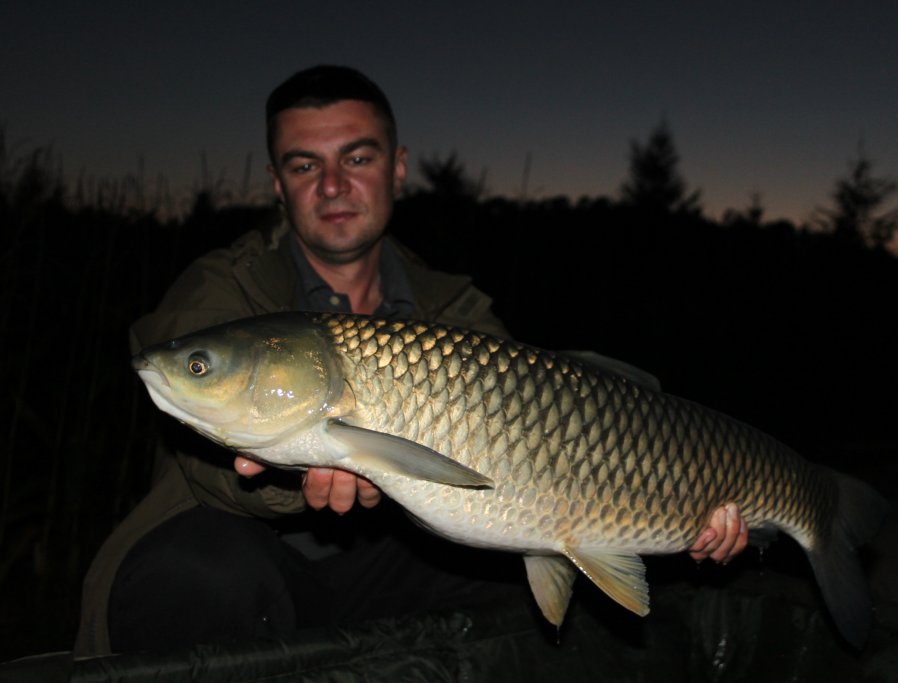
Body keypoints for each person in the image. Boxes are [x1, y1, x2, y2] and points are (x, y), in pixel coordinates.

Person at [74, 65, 749, 658]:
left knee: (509, 603)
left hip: (387, 559)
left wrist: (677, 512)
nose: (332, 185)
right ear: (277, 183)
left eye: (356, 158)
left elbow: (551, 454)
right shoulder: (221, 291)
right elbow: (203, 465)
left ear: (397, 167)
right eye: (304, 165)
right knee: (199, 573)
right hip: (256, 557)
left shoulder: (455, 310)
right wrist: (289, 476)